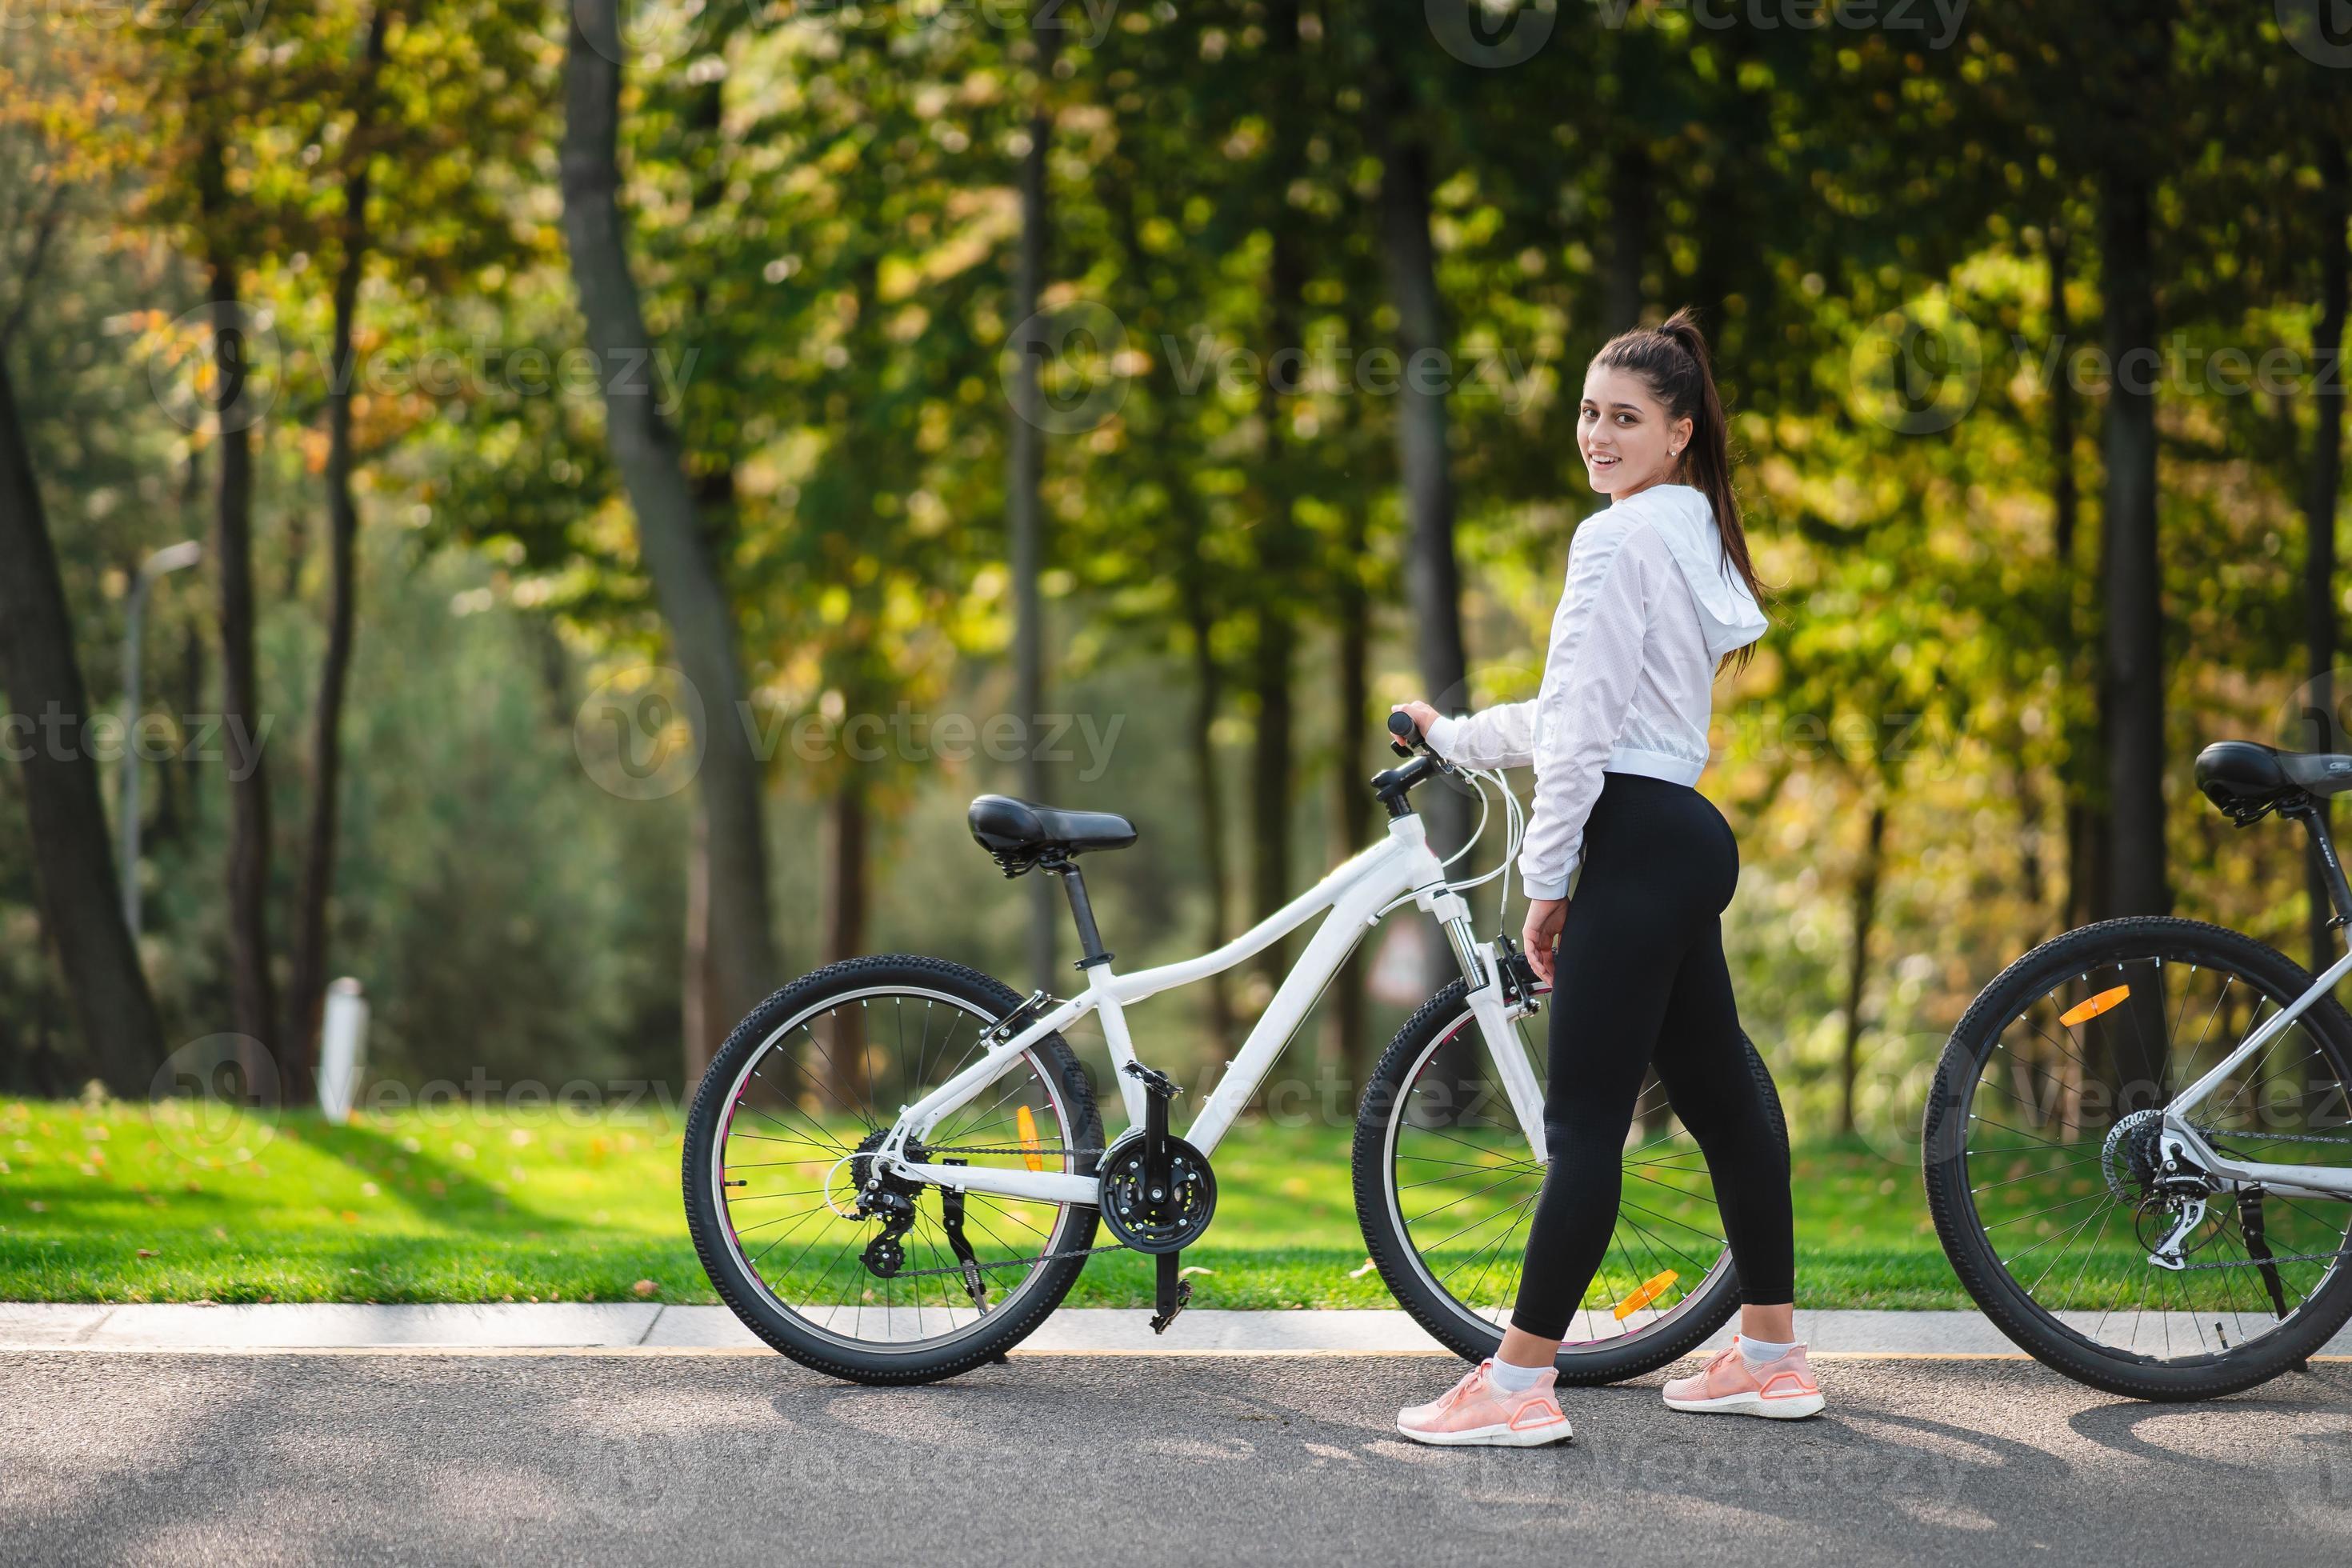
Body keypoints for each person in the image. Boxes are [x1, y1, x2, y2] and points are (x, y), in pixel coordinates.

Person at [1386, 309, 1818, 1448]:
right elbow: (1589, 714)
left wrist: (1547, 879)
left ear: (1680, 431)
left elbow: (1580, 735)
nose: (1597, 434)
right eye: (1588, 412)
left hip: (1628, 838)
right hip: (1681, 832)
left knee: (1582, 1124)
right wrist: (1458, 734)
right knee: (1723, 1099)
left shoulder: (1614, 538)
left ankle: (1518, 1388)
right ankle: (1772, 1358)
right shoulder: (1686, 533)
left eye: (1625, 418)